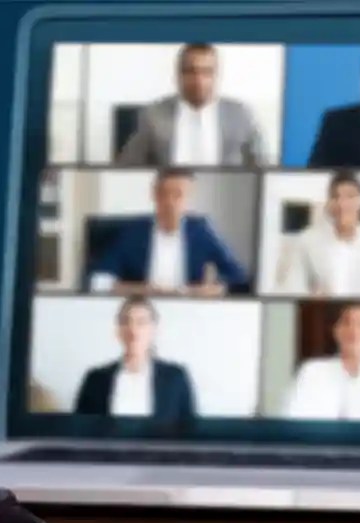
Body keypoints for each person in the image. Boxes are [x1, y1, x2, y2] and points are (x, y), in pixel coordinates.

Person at [89, 168, 249, 296]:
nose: (169, 202)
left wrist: (210, 290)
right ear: (154, 195)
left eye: (178, 195)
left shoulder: (201, 230)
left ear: (189, 197)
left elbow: (239, 278)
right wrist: (142, 290)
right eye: (164, 194)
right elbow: (98, 281)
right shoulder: (133, 232)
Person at [115, 43, 268, 167]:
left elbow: (262, 166)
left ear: (216, 75)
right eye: (191, 72)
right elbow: (127, 166)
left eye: (206, 72)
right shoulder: (153, 115)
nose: (199, 81)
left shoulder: (240, 114)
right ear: (178, 75)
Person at [73, 296, 197, 421]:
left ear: (154, 330)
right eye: (126, 322)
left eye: (141, 322)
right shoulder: (95, 379)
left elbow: (189, 432)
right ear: (118, 330)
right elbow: (80, 431)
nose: (133, 330)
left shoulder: (175, 378)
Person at [283, 170, 360, 299]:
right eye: (336, 197)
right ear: (329, 202)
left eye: (350, 197)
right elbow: (292, 288)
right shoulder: (308, 240)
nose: (342, 204)